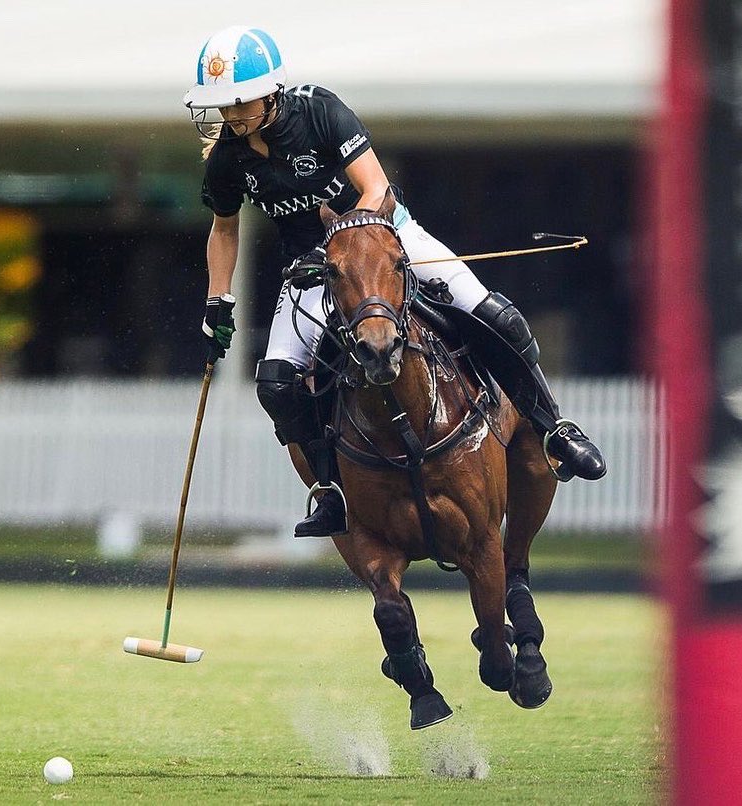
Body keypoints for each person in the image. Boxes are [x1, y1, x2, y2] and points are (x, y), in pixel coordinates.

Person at [184, 25, 606, 539]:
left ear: (271, 90)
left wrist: (346, 250)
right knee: (275, 382)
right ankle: (330, 490)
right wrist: (218, 299)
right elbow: (224, 228)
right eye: (223, 105)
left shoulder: (319, 110)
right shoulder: (228, 157)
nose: (231, 115)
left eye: (241, 102)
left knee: (499, 318)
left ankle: (553, 429)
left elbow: (375, 187)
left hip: (388, 243)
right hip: (312, 272)